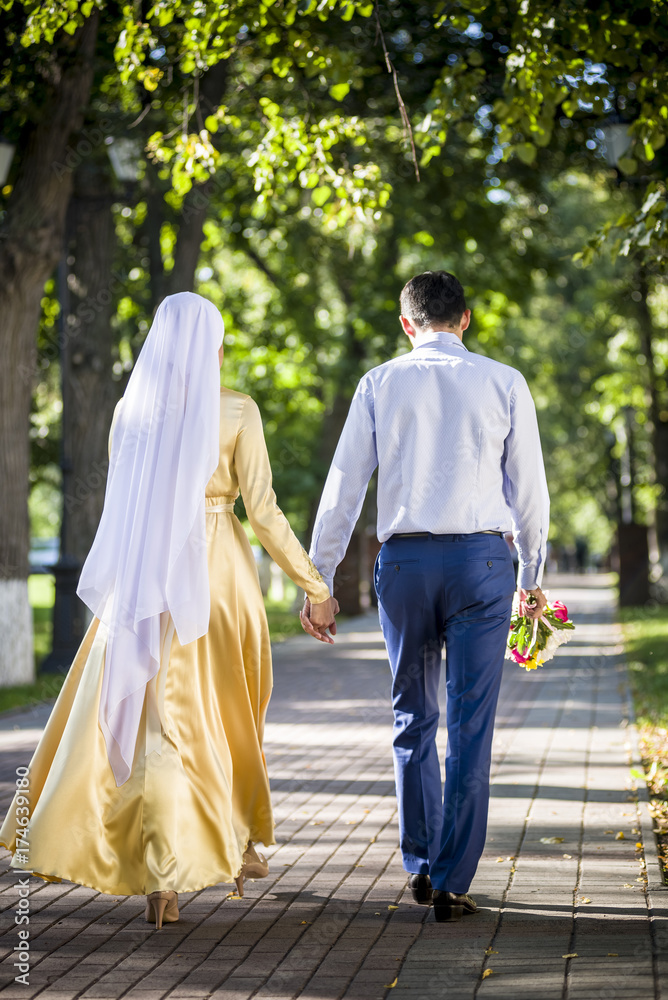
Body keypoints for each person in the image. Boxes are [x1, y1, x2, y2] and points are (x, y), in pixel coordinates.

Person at [0, 292, 338, 929]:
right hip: (216, 579)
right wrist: (314, 585)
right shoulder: (235, 409)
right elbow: (262, 512)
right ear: (210, 344)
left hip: (143, 578)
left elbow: (126, 499)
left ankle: (162, 879)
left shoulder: (131, 411)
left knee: (155, 721)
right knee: (221, 717)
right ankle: (224, 844)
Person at [300, 271, 549, 922]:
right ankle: (453, 879)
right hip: (482, 564)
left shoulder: (380, 382)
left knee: (413, 718)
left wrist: (318, 579)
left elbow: (344, 486)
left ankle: (419, 862)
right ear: (464, 319)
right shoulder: (504, 381)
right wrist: (532, 578)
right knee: (471, 726)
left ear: (407, 324)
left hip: (405, 562)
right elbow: (529, 490)